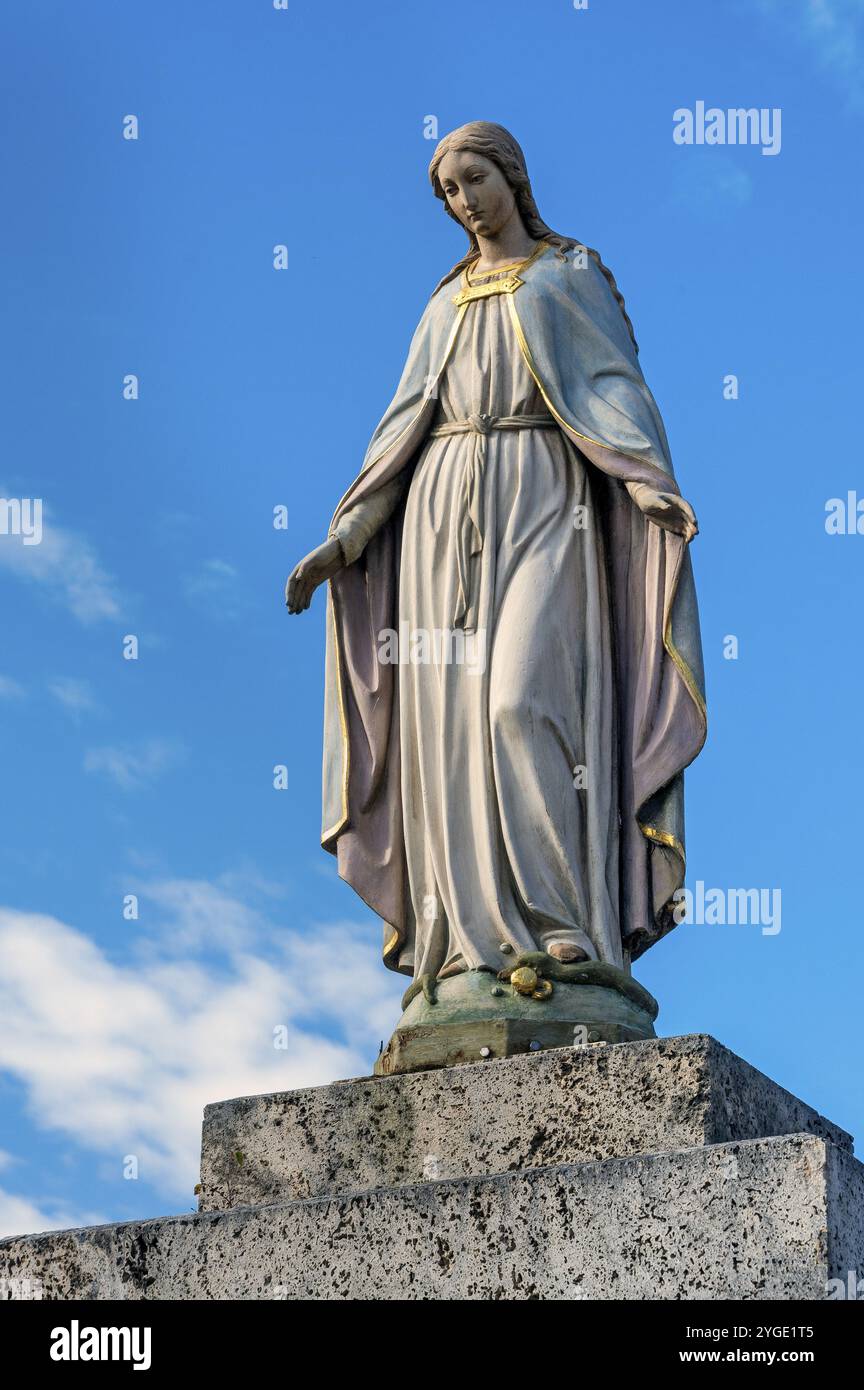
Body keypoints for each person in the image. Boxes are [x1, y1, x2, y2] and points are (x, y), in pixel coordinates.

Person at [286, 121, 706, 991]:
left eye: (475, 179)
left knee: (521, 701)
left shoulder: (567, 274)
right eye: (449, 191)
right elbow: (403, 425)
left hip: (548, 498)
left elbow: (612, 383)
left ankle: (563, 917)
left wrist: (642, 478)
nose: (464, 201)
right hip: (440, 514)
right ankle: (469, 942)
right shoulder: (443, 304)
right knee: (456, 726)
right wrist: (350, 537)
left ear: (512, 178)